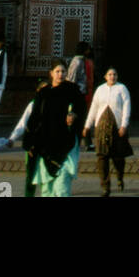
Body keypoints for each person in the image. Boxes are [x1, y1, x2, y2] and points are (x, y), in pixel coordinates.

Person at [27, 58, 88, 197]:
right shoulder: (43, 93)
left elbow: (82, 110)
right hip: (46, 145)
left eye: (63, 71)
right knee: (47, 190)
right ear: (51, 73)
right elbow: (35, 117)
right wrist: (30, 141)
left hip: (66, 144)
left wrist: (74, 116)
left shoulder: (73, 90)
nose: (60, 74)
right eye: (57, 71)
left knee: (62, 189)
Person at [85, 67, 133, 196]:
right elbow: (94, 108)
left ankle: (119, 176)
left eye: (114, 74)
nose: (112, 77)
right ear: (105, 76)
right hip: (101, 128)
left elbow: (127, 107)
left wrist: (124, 125)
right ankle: (105, 186)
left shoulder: (122, 89)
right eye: (110, 74)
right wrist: (87, 125)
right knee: (102, 157)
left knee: (118, 157)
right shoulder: (100, 90)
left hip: (117, 128)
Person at [10, 76, 48, 198]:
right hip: (33, 146)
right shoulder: (32, 105)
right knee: (31, 175)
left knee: (45, 175)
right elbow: (22, 123)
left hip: (47, 146)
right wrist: (12, 138)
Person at [67, 41, 95, 149]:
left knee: (84, 117)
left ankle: (87, 142)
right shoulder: (77, 62)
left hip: (83, 93)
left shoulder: (83, 61)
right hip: (77, 94)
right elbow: (72, 79)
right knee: (78, 118)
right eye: (87, 48)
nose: (89, 51)